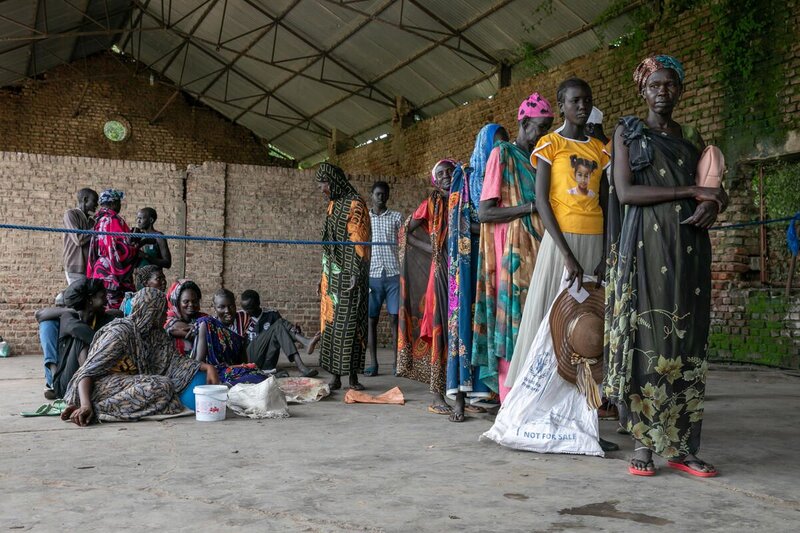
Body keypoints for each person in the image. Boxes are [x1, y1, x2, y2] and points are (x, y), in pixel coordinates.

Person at [605, 55, 727, 477]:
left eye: (671, 85)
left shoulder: (691, 136)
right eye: (655, 84)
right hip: (646, 245)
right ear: (643, 89)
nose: (663, 91)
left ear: (680, 90)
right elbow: (625, 192)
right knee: (651, 336)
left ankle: (683, 447)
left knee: (688, 342)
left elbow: (711, 191)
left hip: (690, 246)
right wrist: (688, 188)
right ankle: (643, 444)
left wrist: (714, 201)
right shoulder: (629, 131)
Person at [506, 79, 609, 390]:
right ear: (562, 105)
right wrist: (566, 255)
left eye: (587, 100)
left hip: (595, 242)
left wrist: (606, 253)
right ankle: (536, 398)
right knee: (551, 320)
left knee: (588, 326)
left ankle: (581, 405)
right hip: (562, 244)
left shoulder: (600, 151)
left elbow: (605, 203)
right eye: (575, 101)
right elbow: (542, 201)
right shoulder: (551, 144)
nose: (582, 106)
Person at [472, 93, 554, 401]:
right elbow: (484, 212)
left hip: (538, 253)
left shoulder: (538, 161)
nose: (541, 135)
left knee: (536, 326)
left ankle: (532, 402)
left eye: (547, 128)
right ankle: (510, 404)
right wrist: (530, 207)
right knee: (512, 327)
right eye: (538, 128)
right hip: (510, 255)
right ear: (523, 122)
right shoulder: (502, 154)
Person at [60, 288, 219, 426]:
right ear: (151, 311)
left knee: (164, 389)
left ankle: (95, 408)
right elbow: (86, 373)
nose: (165, 317)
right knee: (162, 386)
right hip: (96, 387)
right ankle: (91, 409)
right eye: (162, 312)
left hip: (130, 386)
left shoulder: (156, 336)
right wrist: (86, 404)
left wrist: (206, 367)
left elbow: (173, 361)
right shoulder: (120, 334)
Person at [446, 125, 509, 422]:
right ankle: (459, 397)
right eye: (495, 145)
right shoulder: (466, 177)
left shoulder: (503, 174)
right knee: (464, 324)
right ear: (484, 144)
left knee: (495, 321)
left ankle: (492, 393)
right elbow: (458, 221)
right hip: (469, 262)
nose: (499, 150)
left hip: (495, 257)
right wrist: (488, 225)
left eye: (502, 145)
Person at [397, 159, 453, 414]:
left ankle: (463, 393)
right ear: (434, 180)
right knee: (439, 331)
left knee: (459, 334)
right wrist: (430, 247)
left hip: (462, 270)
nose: (446, 176)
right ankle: (437, 395)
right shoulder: (431, 204)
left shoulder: (464, 199)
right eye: (440, 174)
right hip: (440, 272)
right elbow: (405, 232)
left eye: (449, 171)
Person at [315, 163, 371, 391]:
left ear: (334, 181)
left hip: (352, 276)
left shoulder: (355, 204)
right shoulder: (333, 205)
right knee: (332, 328)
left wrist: (356, 273)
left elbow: (359, 241)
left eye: (324, 183)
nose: (321, 188)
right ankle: (335, 376)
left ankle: (353, 377)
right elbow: (328, 244)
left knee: (351, 325)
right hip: (332, 277)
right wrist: (323, 275)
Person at [210, 289, 317, 378]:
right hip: (239, 361)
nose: (227, 310)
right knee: (279, 324)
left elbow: (281, 334)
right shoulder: (215, 325)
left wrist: (293, 331)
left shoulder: (245, 316)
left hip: (258, 356)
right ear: (214, 308)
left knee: (279, 324)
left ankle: (301, 362)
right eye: (221, 307)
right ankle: (304, 345)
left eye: (231, 306)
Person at [51, 279, 116, 399]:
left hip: (94, 375)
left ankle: (92, 389)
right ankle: (85, 397)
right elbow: (92, 338)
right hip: (66, 385)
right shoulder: (68, 318)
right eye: (102, 297)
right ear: (90, 300)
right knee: (80, 339)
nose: (106, 301)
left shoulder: (102, 318)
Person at [365, 181, 403, 377]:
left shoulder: (396, 217)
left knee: (395, 318)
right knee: (372, 320)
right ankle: (373, 363)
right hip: (372, 275)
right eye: (378, 194)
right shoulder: (365, 218)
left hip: (393, 274)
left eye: (384, 194)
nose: (381, 197)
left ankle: (397, 364)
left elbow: (404, 243)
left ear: (388, 196)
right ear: (372, 194)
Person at [86, 189, 140, 309]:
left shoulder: (99, 220)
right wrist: (135, 247)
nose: (120, 205)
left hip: (100, 269)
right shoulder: (114, 219)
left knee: (102, 304)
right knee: (117, 307)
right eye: (119, 202)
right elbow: (120, 249)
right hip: (112, 269)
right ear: (113, 203)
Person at [62, 188, 98, 285]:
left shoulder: (92, 222)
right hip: (75, 266)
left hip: (89, 268)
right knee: (78, 297)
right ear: (85, 200)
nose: (96, 205)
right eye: (94, 201)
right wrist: (97, 230)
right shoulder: (71, 214)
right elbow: (78, 239)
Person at [165, 278, 206, 357]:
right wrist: (201, 331)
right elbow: (172, 326)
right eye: (186, 301)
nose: (191, 304)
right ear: (177, 303)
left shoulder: (204, 318)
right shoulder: (167, 318)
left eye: (195, 301)